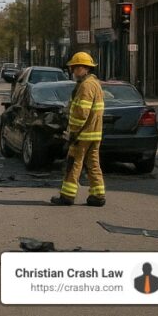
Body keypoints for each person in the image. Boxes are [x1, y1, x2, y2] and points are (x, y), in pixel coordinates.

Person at [51, 52, 106, 207]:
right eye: (73, 68)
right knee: (93, 164)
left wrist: (73, 132)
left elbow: (82, 112)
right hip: (94, 134)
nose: (73, 71)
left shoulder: (86, 86)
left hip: (83, 135)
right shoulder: (95, 84)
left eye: (75, 68)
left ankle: (67, 196)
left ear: (84, 68)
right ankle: (98, 195)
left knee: (73, 163)